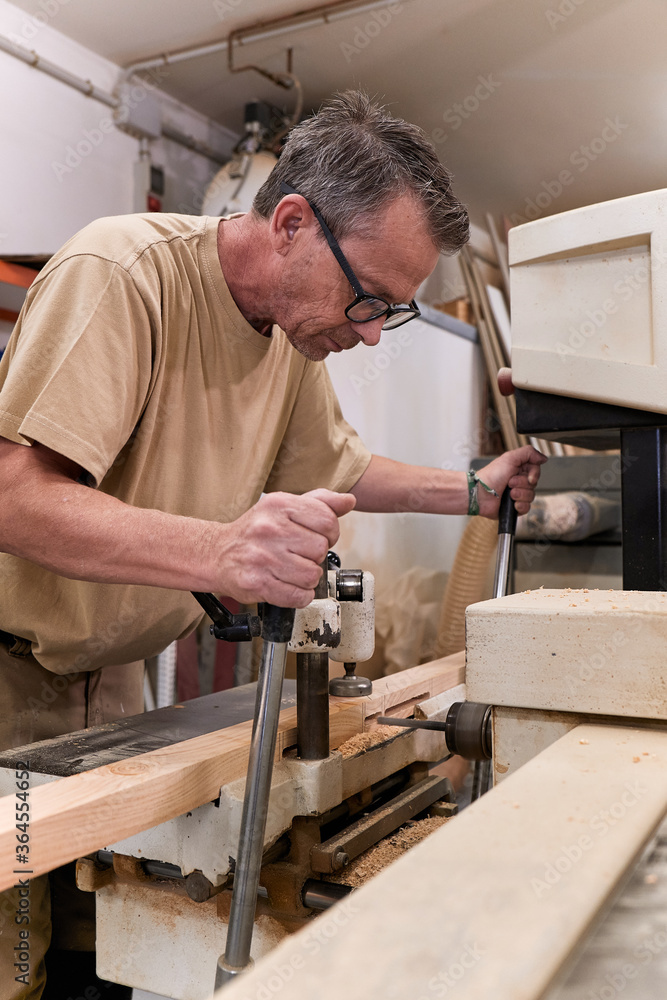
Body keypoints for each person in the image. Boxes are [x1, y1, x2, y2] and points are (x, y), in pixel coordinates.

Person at [0, 90, 545, 999]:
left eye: (391, 312)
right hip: (11, 681)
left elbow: (341, 467)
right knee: (16, 961)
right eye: (367, 298)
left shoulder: (293, 338)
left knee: (104, 944)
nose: (370, 332)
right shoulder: (126, 274)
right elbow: (16, 499)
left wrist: (473, 490)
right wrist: (219, 553)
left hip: (116, 685)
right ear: (291, 221)